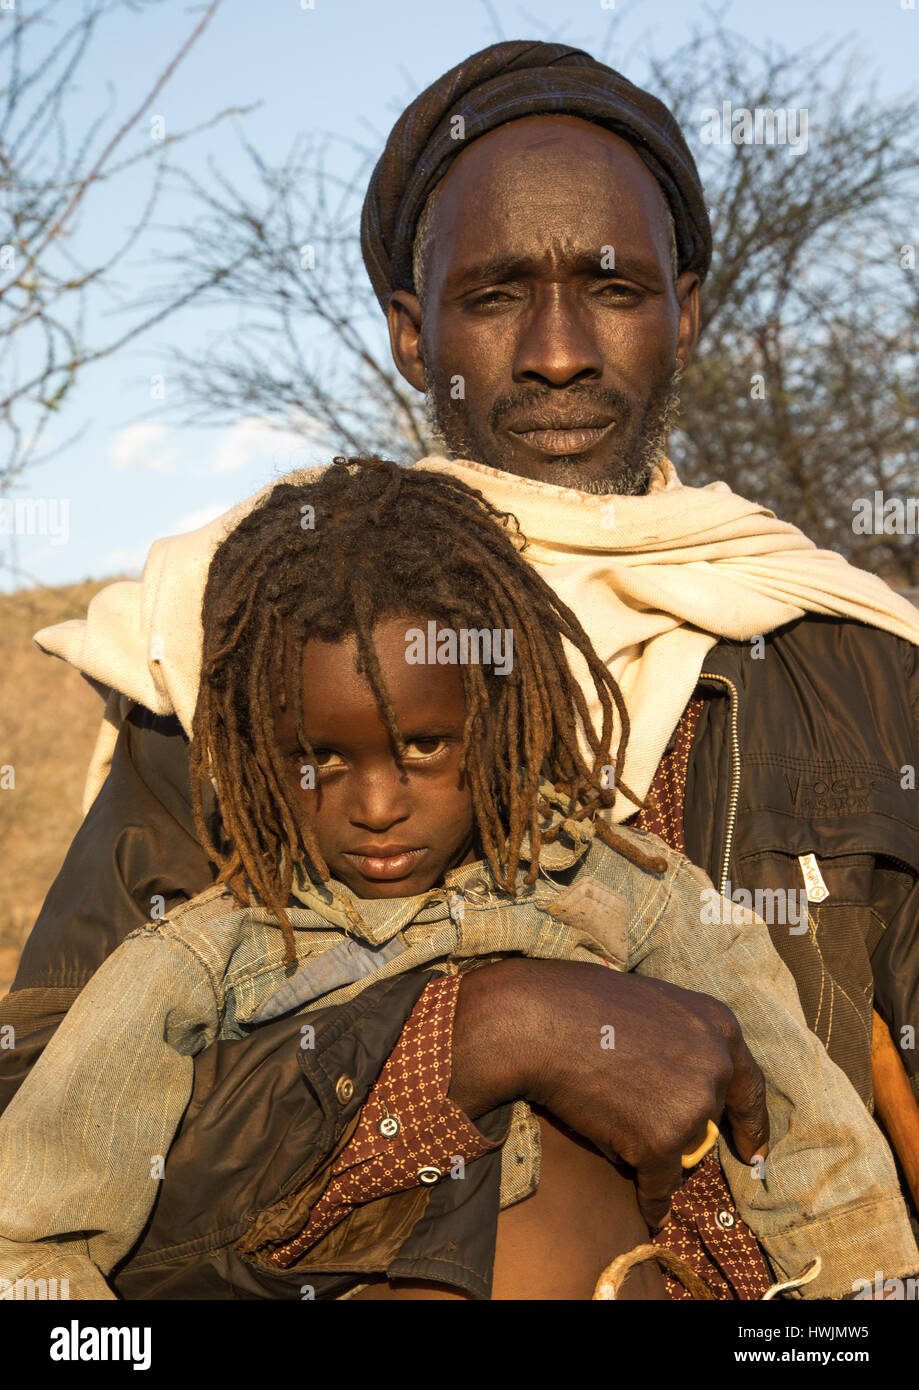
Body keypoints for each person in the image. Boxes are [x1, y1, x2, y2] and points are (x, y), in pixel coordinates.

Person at [3, 40, 919, 1299]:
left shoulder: (858, 665)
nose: (554, 352)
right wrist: (468, 1038)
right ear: (407, 330)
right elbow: (44, 1143)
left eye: (610, 289)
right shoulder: (239, 649)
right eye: (492, 296)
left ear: (685, 309)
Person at [0, 459, 914, 1303]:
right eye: (318, 757)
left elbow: (806, 1135)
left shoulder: (625, 889)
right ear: (250, 755)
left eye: (423, 747)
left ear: (497, 716)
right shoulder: (207, 954)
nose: (376, 804)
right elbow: (41, 1222)